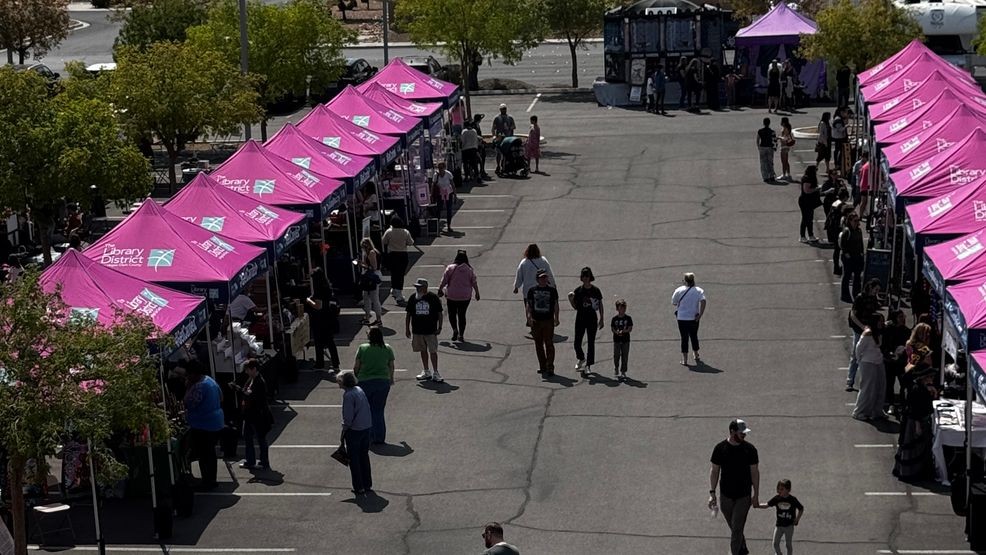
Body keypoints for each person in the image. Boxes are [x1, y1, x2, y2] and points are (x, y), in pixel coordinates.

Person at [709, 419, 760, 555]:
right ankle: (742, 549)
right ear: (732, 432)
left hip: (743, 496)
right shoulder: (720, 449)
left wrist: (756, 495)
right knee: (734, 527)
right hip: (725, 496)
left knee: (737, 528)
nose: (744, 435)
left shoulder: (750, 449)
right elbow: (714, 471)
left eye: (745, 433)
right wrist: (712, 493)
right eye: (741, 433)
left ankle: (734, 552)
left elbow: (754, 472)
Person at [893, 363, 937, 481]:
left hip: (915, 420)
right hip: (914, 422)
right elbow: (915, 409)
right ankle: (911, 472)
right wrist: (918, 426)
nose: (931, 379)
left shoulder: (919, 387)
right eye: (929, 377)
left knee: (918, 446)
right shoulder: (917, 390)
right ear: (923, 378)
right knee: (915, 447)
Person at [183, 361, 224, 489]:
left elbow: (189, 403)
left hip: (203, 424)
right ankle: (211, 479)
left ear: (194, 374)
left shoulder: (198, 387)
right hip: (216, 421)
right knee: (210, 454)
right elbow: (221, 397)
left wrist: (188, 387)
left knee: (204, 455)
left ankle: (207, 481)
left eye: (188, 375)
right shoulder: (210, 381)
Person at [354, 327, 395, 445]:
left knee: (366, 410)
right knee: (378, 410)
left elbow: (356, 366)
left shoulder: (362, 348)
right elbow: (391, 366)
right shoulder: (387, 348)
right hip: (382, 382)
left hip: (365, 382)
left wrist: (358, 377)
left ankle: (369, 435)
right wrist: (391, 378)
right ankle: (379, 437)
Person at [337, 370, 372, 495]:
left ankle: (359, 486)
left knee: (354, 459)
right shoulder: (359, 390)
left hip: (355, 430)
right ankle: (367, 484)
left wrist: (344, 431)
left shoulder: (348, 395)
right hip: (366, 427)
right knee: (364, 455)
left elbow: (348, 417)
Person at [233, 360, 273, 469]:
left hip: (257, 416)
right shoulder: (252, 379)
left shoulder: (259, 382)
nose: (246, 372)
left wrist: (240, 390)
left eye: (248, 370)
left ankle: (263, 462)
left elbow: (252, 396)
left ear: (254, 369)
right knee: (249, 438)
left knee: (260, 439)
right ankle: (251, 461)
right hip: (251, 415)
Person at [406, 278, 444, 383]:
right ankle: (426, 371)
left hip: (431, 330)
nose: (417, 289)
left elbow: (439, 313)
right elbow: (408, 314)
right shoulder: (413, 298)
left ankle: (436, 372)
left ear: (425, 287)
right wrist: (407, 329)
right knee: (422, 350)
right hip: (417, 330)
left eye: (419, 287)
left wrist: (439, 327)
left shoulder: (433, 298)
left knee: (433, 351)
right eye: (416, 287)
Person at [568, 266, 604, 377]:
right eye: (583, 276)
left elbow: (600, 304)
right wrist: (571, 300)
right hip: (580, 318)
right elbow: (575, 306)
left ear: (590, 277)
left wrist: (602, 318)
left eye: (587, 276)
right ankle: (581, 358)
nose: (585, 278)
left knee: (591, 342)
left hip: (592, 318)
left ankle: (588, 365)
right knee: (577, 342)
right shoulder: (578, 291)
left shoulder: (595, 290)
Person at [846, 278, 881, 390]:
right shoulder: (860, 298)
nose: (877, 292)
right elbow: (853, 315)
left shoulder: (873, 299)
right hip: (859, 329)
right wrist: (862, 326)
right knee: (855, 354)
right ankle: (850, 381)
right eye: (876, 289)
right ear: (871, 287)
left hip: (869, 330)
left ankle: (866, 382)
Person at [438, 249, 480, 342]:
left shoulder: (450, 268)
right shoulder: (469, 269)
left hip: (452, 295)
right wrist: (477, 292)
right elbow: (474, 282)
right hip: (465, 296)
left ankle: (454, 329)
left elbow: (444, 280)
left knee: (452, 314)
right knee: (462, 315)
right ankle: (461, 335)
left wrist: (440, 289)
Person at [852, 315, 888, 420]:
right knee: (867, 388)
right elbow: (858, 349)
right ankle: (859, 412)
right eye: (880, 321)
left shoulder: (879, 332)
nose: (882, 323)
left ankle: (877, 410)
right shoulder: (868, 333)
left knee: (881, 386)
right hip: (868, 362)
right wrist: (860, 361)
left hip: (878, 361)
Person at [758, 479, 804, 555]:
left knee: (788, 545)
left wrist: (797, 519)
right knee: (775, 543)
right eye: (778, 489)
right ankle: (779, 553)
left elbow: (801, 509)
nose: (779, 491)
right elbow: (767, 505)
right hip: (779, 525)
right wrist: (757, 505)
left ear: (788, 490)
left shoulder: (793, 500)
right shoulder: (777, 498)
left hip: (789, 526)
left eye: (782, 489)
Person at [306, 267, 340, 370]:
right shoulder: (327, 286)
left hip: (321, 319)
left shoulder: (319, 289)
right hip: (329, 317)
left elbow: (318, 306)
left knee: (319, 342)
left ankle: (320, 363)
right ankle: (335, 363)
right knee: (330, 342)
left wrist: (308, 300)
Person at [527, 270, 559, 377]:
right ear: (537, 279)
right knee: (538, 345)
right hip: (536, 321)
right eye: (541, 278)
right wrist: (529, 317)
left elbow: (555, 304)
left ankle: (550, 367)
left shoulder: (552, 290)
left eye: (545, 277)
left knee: (549, 343)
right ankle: (542, 366)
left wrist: (556, 318)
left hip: (548, 320)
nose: (544, 279)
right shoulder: (532, 290)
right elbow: (529, 305)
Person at [513, 244, 555, 324]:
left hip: (528, 290)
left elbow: (519, 275)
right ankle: (542, 322)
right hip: (542, 287)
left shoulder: (524, 262)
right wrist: (553, 284)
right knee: (542, 306)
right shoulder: (543, 260)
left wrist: (516, 287)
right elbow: (549, 273)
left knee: (529, 306)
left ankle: (530, 321)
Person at [672, 272, 706, 366]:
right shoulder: (699, 290)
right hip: (694, 318)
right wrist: (700, 314)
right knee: (694, 335)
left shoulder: (679, 290)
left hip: (682, 318)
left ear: (685, 281)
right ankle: (696, 354)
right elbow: (703, 301)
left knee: (684, 338)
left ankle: (685, 359)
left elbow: (674, 302)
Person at [381, 217, 414, 306]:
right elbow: (411, 243)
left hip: (392, 255)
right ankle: (399, 293)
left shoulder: (389, 231)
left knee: (393, 273)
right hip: (402, 255)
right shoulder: (405, 232)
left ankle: (394, 289)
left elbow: (384, 241)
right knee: (400, 274)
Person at [839, 212, 865, 303]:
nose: (856, 222)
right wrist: (846, 254)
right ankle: (845, 295)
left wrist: (862, 254)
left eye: (858, 220)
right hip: (849, 258)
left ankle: (856, 294)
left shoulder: (859, 231)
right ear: (849, 221)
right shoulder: (847, 231)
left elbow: (861, 243)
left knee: (857, 277)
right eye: (855, 220)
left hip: (857, 257)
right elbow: (842, 244)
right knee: (847, 276)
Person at [358, 237, 384, 326]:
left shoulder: (372, 253)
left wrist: (363, 266)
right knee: (366, 297)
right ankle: (367, 317)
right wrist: (362, 263)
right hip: (372, 275)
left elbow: (374, 267)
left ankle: (378, 319)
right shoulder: (373, 251)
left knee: (374, 298)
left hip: (373, 276)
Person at [611, 299, 633, 380]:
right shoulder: (614, 319)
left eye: (624, 308)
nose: (622, 310)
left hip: (625, 340)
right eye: (621, 308)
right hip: (616, 340)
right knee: (616, 355)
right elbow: (612, 328)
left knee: (625, 355)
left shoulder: (628, 318)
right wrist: (616, 332)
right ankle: (616, 367)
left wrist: (624, 331)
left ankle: (623, 371)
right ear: (617, 309)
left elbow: (630, 328)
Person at [798, 165, 820, 243]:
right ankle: (802, 236)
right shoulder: (807, 178)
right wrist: (816, 189)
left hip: (810, 201)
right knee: (805, 218)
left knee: (810, 219)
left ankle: (811, 235)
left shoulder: (811, 178)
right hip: (804, 201)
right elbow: (806, 190)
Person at [492, 103, 516, 172]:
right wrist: (494, 137)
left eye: (505, 109)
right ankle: (498, 166)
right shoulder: (497, 118)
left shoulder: (510, 118)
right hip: (499, 138)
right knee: (498, 153)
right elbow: (493, 128)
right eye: (502, 109)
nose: (504, 110)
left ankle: (505, 166)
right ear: (500, 109)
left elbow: (514, 126)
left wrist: (509, 128)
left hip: (507, 138)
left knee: (506, 153)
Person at [434, 160, 456, 233]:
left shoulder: (448, 174)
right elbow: (433, 185)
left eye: (441, 168)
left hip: (448, 193)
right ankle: (437, 225)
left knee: (449, 210)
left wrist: (455, 194)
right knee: (438, 209)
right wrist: (431, 195)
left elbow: (452, 184)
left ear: (444, 168)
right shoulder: (436, 175)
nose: (440, 169)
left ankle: (449, 226)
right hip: (440, 194)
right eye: (439, 168)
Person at [757, 117, 777, 183]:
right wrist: (775, 148)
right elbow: (774, 140)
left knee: (763, 163)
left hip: (762, 147)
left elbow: (757, 139)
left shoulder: (760, 131)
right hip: (770, 148)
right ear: (769, 123)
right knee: (770, 162)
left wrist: (758, 147)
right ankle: (771, 176)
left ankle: (765, 177)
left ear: (763, 123)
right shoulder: (772, 131)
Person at [831, 107, 848, 173]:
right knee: (839, 151)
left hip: (839, 137)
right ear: (841, 112)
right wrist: (846, 126)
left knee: (838, 151)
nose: (845, 114)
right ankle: (838, 164)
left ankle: (838, 163)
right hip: (839, 138)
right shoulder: (838, 120)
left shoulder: (839, 119)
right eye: (844, 112)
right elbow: (840, 129)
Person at [856, 151, 872, 221]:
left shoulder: (864, 166)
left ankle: (861, 215)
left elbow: (860, 175)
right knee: (865, 201)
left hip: (863, 185)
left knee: (863, 201)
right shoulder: (870, 166)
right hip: (867, 186)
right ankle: (862, 215)